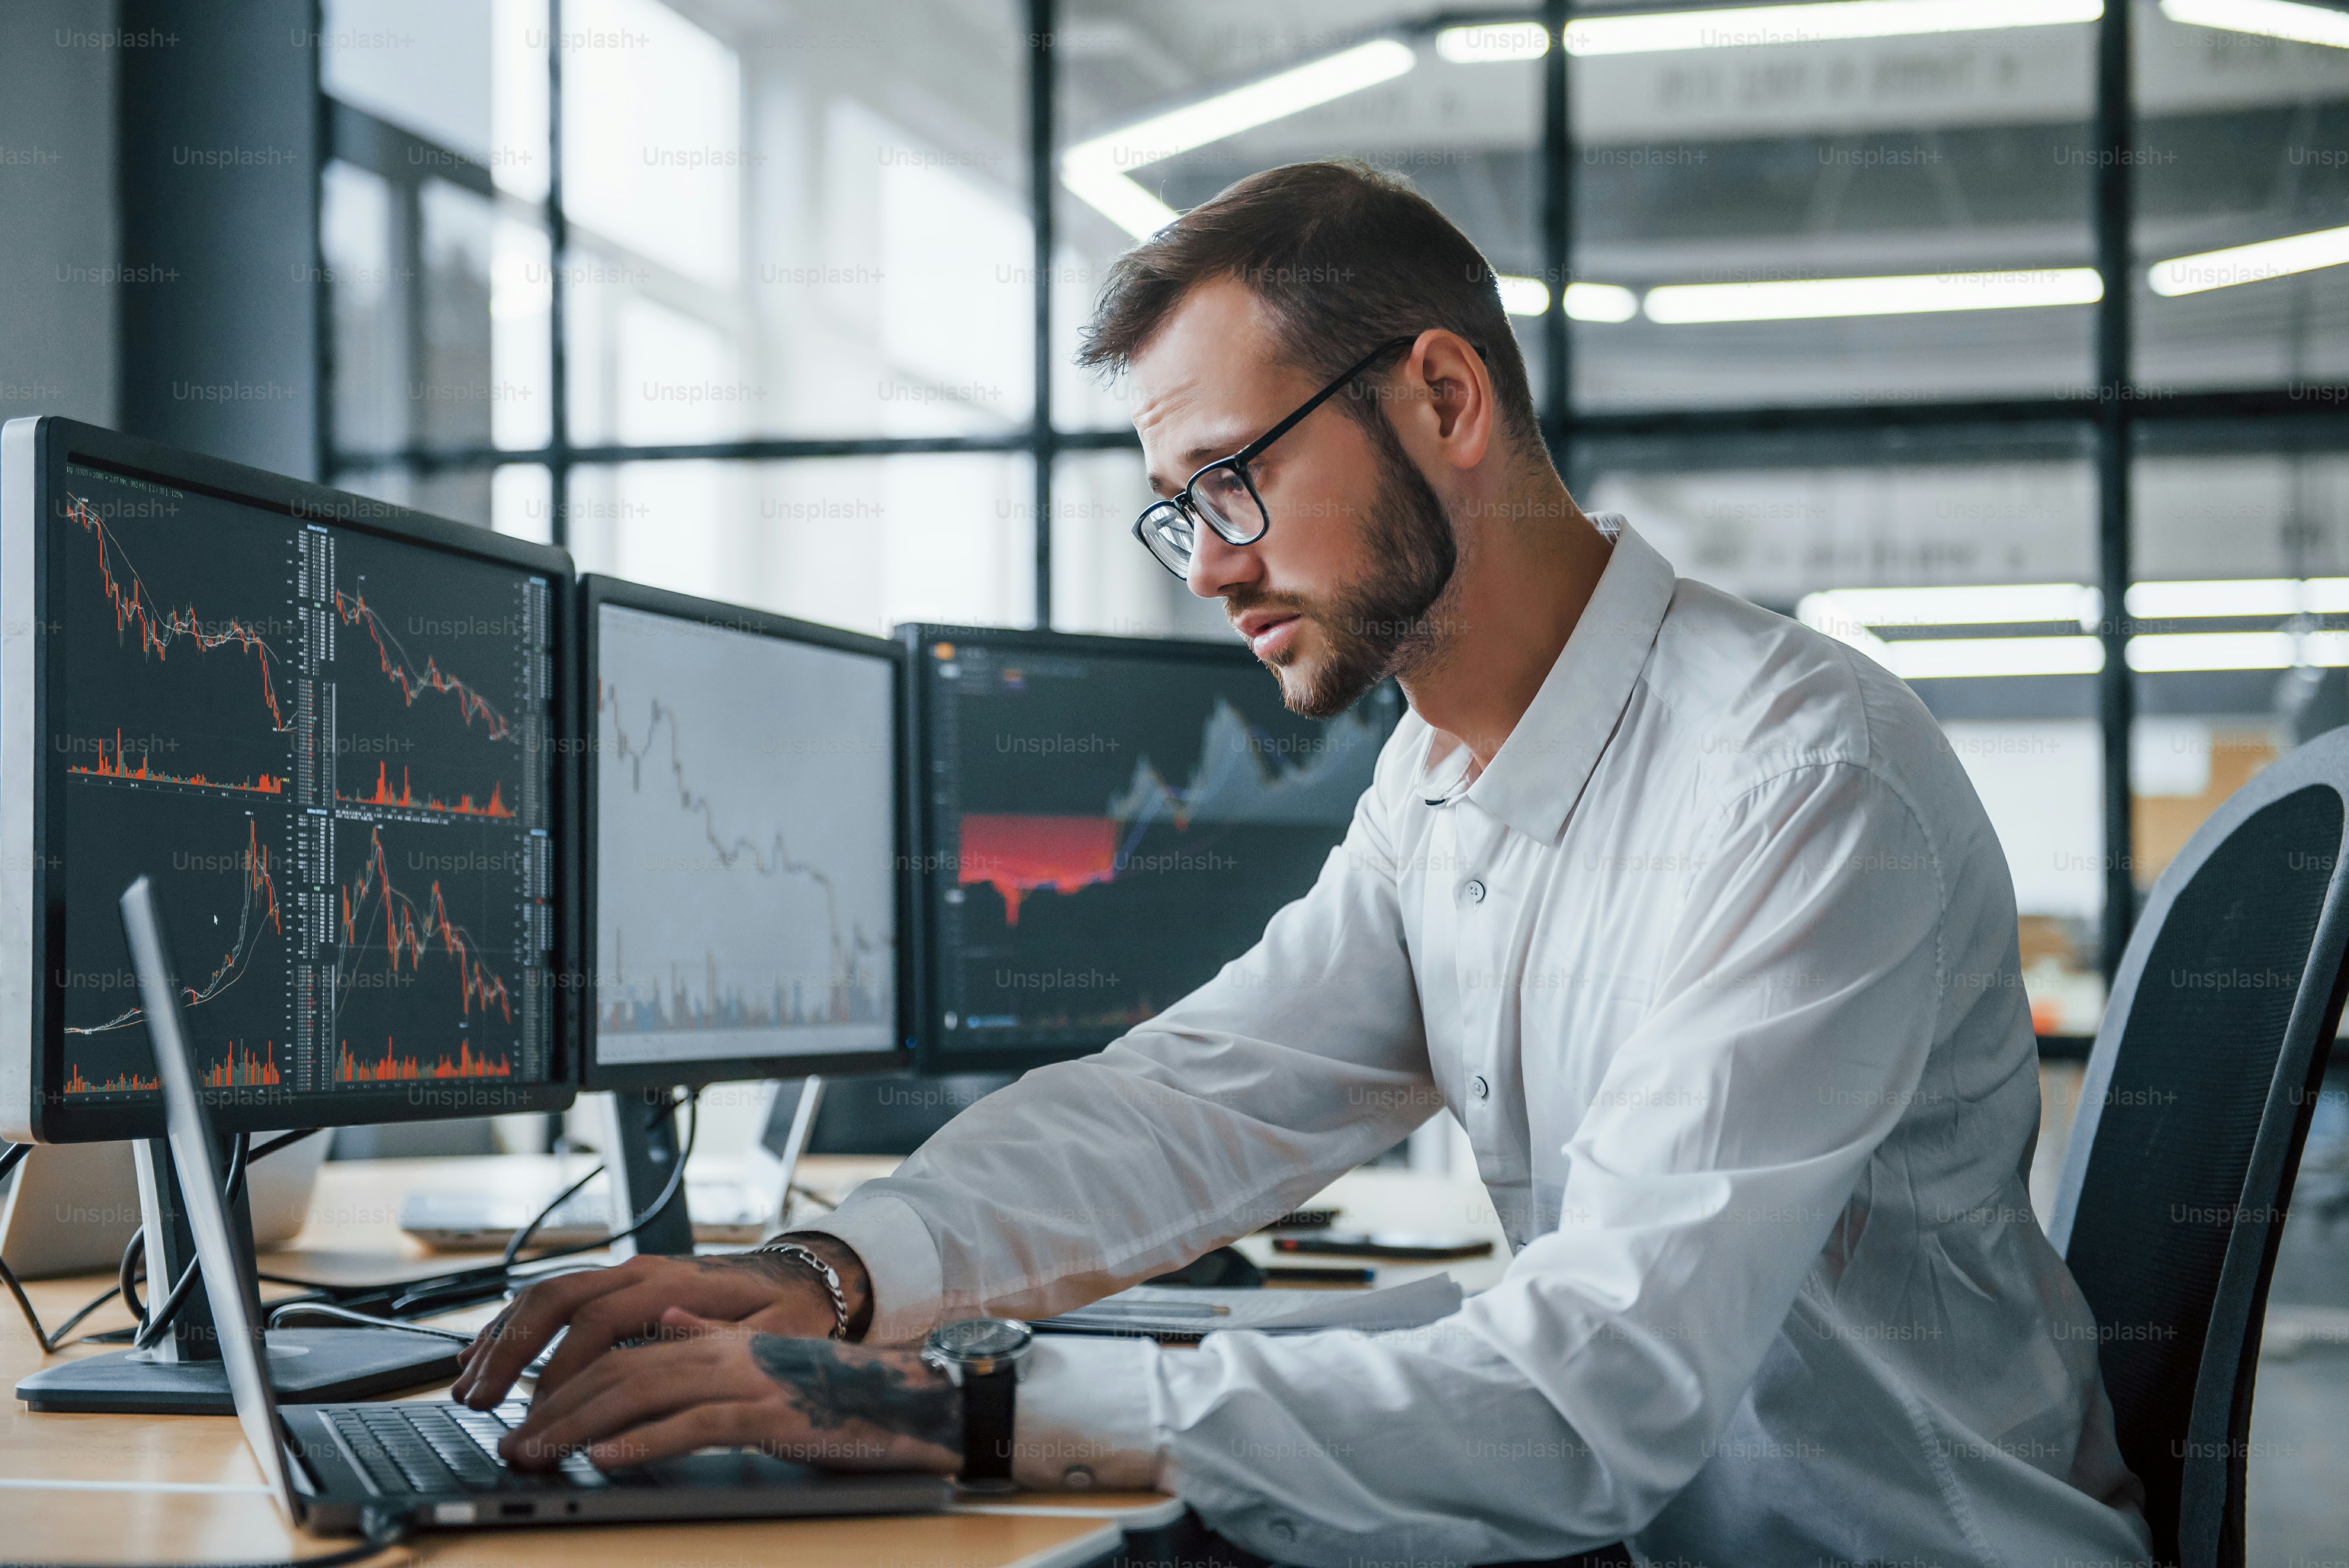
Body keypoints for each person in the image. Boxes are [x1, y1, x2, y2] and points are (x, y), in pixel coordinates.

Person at [453, 159, 2153, 1567]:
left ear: (1442, 395)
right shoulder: (1439, 778)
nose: (1205, 568)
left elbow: (1593, 1397)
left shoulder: (1793, 779)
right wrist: (827, 1279)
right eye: (1176, 509)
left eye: (1233, 481)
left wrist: (945, 1412)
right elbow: (1203, 1099)